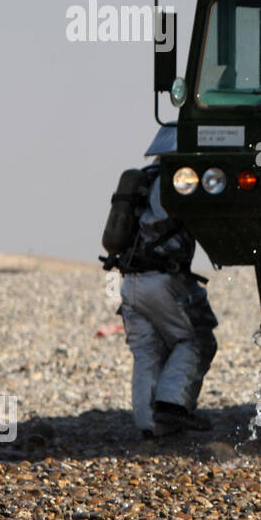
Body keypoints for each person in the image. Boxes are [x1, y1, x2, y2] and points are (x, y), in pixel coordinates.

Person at [105, 127, 218, 439]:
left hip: (130, 283)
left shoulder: (143, 179)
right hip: (163, 281)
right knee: (196, 339)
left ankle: (150, 427)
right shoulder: (178, 182)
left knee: (147, 352)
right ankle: (172, 407)